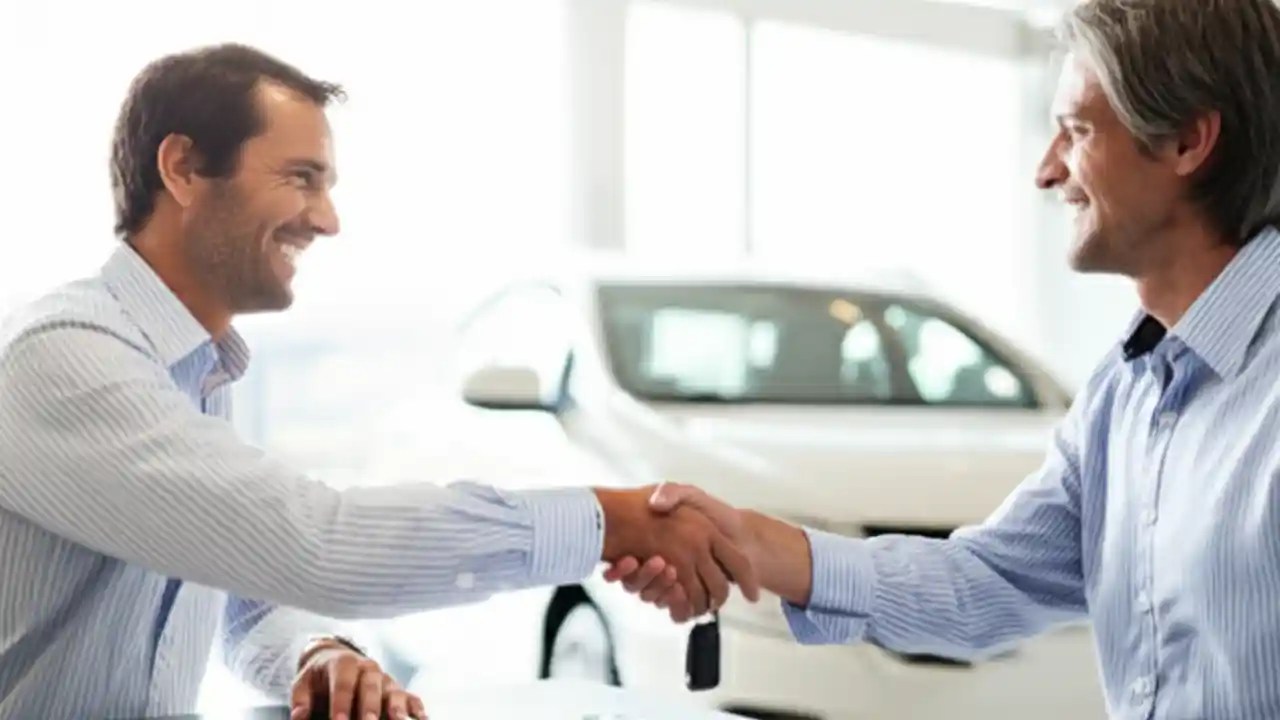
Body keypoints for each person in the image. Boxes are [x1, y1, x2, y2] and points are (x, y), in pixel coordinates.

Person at [0, 44, 758, 720]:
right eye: (301, 179)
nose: (326, 220)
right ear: (184, 168)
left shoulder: (194, 370)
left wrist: (317, 654)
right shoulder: (68, 357)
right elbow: (313, 540)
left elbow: (238, 592)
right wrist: (606, 520)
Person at [611, 0, 1280, 717]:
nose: (1046, 172)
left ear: (1188, 140)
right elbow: (984, 583)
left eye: (1077, 131)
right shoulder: (1129, 390)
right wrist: (751, 542)